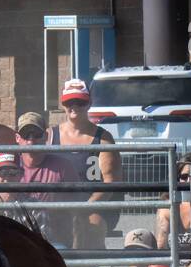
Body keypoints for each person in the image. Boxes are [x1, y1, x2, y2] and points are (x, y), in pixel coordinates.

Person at [49, 78, 120, 249]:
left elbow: (111, 182)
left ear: (89, 103)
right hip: (58, 206)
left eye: (80, 101)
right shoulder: (50, 135)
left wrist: (83, 208)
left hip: (94, 205)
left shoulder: (103, 138)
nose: (74, 106)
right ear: (63, 103)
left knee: (92, 224)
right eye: (69, 101)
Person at [9, 112, 75, 248]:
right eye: (26, 134)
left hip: (54, 241)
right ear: (17, 138)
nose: (31, 140)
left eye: (36, 134)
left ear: (46, 136)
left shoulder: (63, 166)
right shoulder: (9, 166)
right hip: (16, 239)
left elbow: (77, 207)